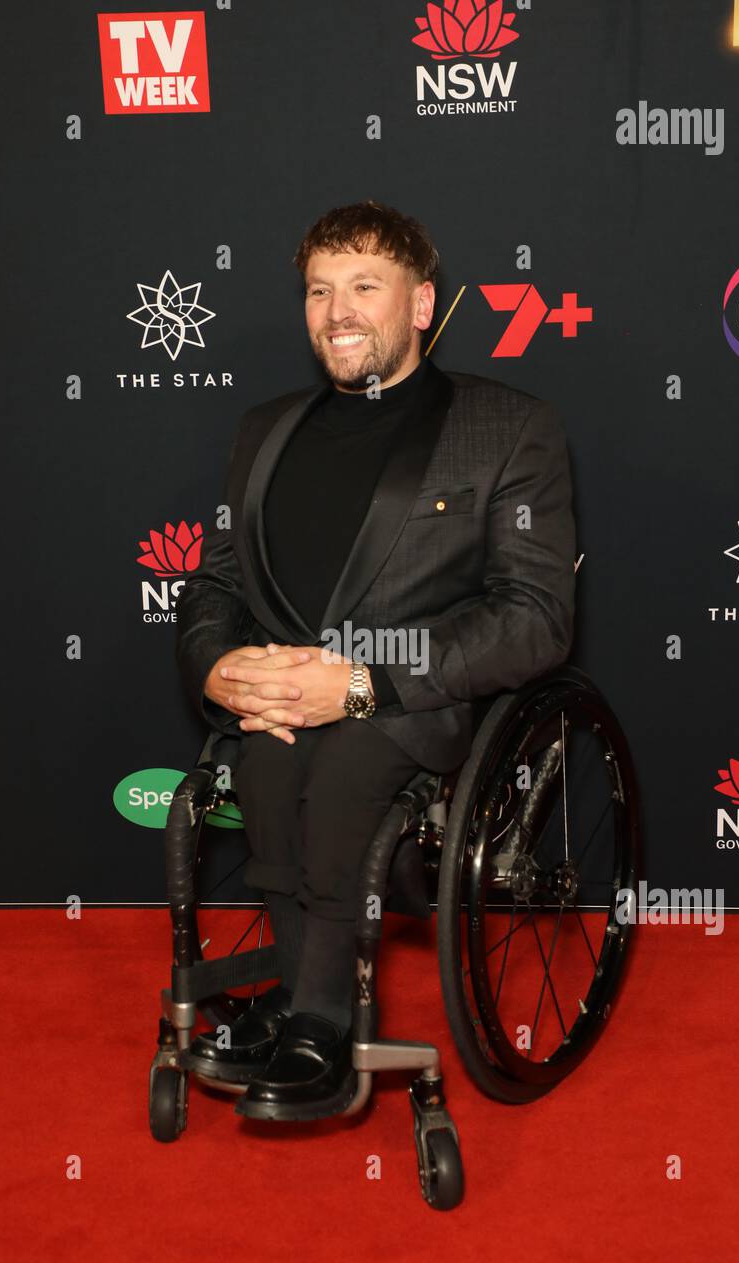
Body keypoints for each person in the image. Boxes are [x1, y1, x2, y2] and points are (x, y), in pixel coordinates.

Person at [175, 198, 576, 1122]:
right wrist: (218, 667)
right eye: (320, 290)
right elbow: (215, 584)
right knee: (272, 758)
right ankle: (301, 995)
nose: (338, 312)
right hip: (281, 695)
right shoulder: (264, 428)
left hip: (417, 702)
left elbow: (535, 615)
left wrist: (359, 679)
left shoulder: (507, 427)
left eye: (365, 286)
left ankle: (316, 1019)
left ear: (422, 305)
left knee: (348, 760)